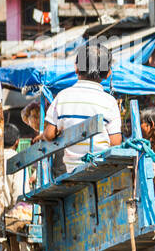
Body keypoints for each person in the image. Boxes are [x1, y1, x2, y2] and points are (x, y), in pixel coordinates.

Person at [41, 41, 122, 171]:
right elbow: (115, 142)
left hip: (72, 169)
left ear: (76, 68)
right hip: (101, 168)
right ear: (108, 73)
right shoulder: (110, 102)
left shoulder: (62, 97)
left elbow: (49, 135)